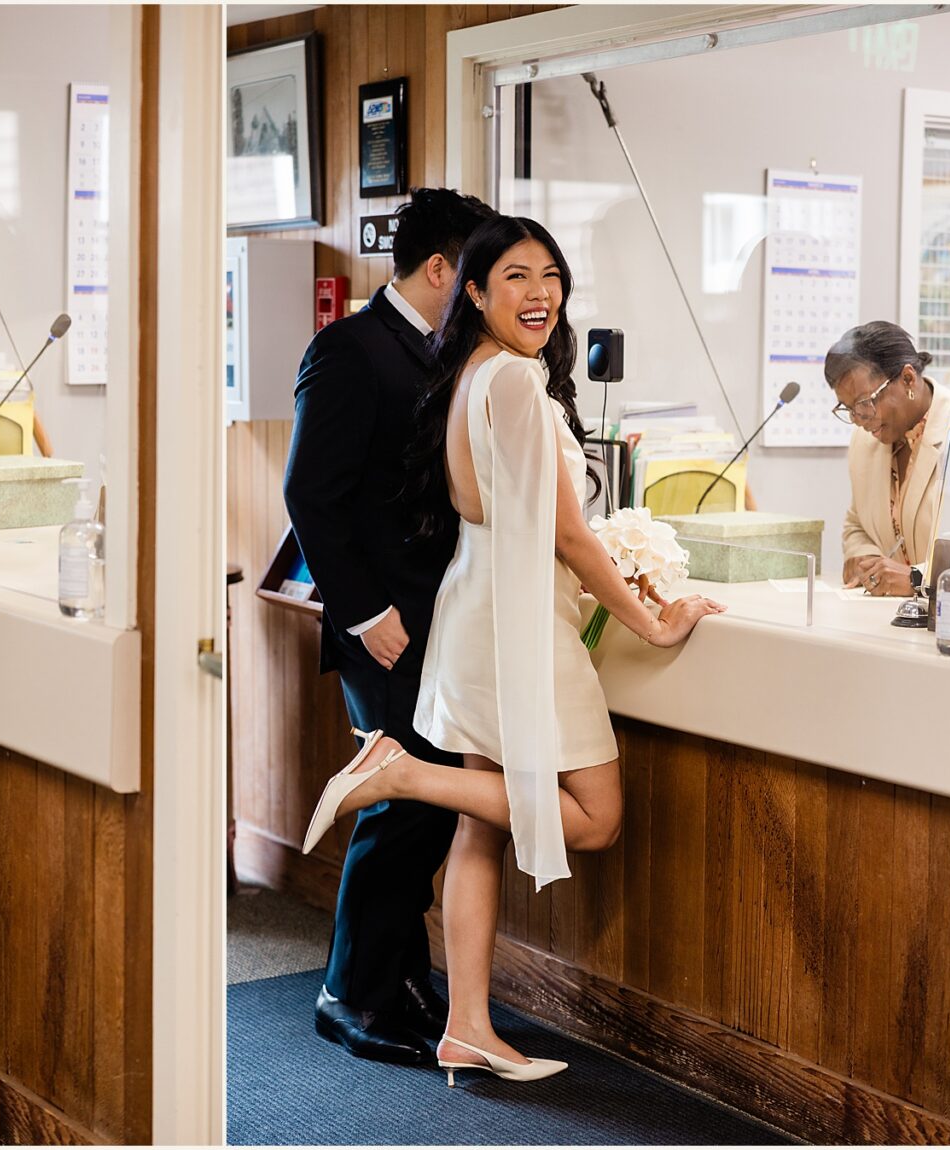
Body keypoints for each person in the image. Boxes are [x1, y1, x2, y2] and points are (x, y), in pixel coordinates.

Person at [301, 214, 724, 1085]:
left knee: (477, 830)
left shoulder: (471, 371)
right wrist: (652, 618)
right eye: (516, 278)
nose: (540, 294)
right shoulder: (519, 383)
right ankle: (400, 773)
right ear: (477, 292)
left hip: (476, 606)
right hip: (516, 622)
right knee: (596, 818)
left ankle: (465, 1028)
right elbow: (568, 534)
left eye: (551, 277)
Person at [283, 187, 495, 1065]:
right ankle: (350, 996)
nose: (487, 292)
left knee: (430, 805)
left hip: (441, 619)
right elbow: (309, 494)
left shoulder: (451, 352)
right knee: (401, 803)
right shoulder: (349, 348)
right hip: (385, 626)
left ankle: (400, 978)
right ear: (441, 267)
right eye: (479, 273)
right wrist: (366, 613)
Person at [825, 321, 950, 597]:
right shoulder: (865, 441)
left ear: (908, 379)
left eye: (865, 402)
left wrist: (917, 578)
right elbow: (856, 523)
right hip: (885, 623)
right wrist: (862, 557)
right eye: (849, 409)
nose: (859, 420)